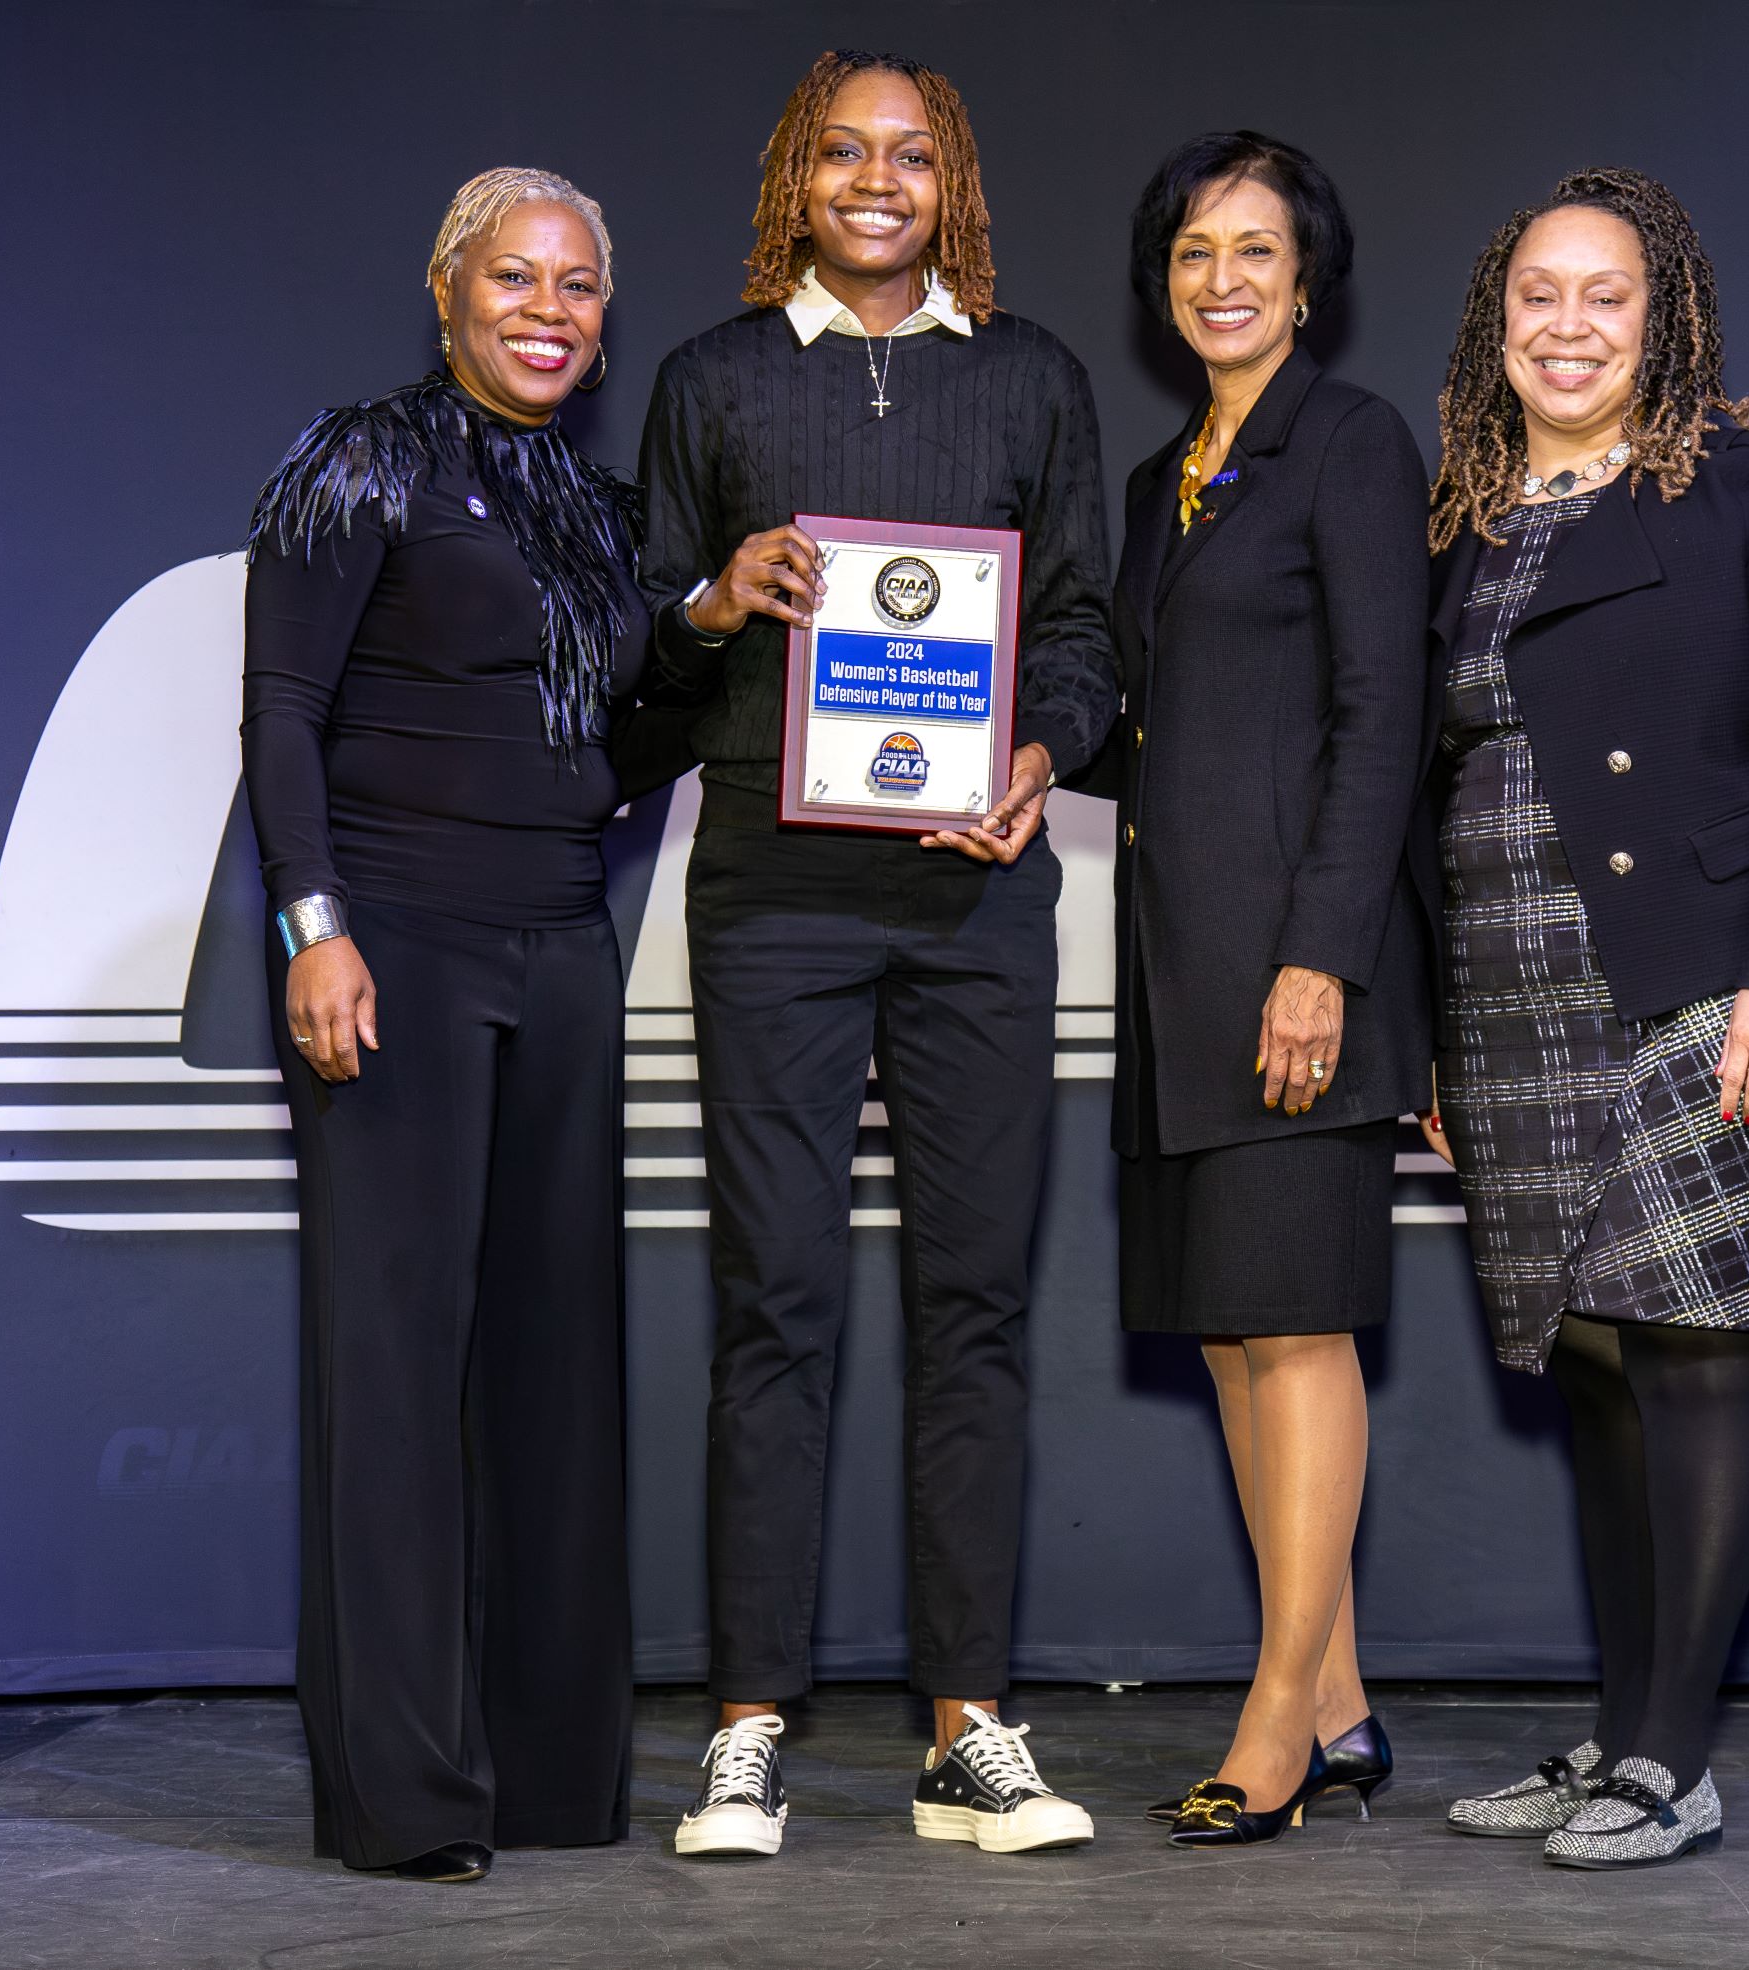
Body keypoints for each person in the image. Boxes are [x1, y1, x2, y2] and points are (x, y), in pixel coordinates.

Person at [633, 49, 1117, 1860]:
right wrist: (715, 597)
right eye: (843, 153)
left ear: (951, 182)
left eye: (909, 156)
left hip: (980, 904)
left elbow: (1074, 626)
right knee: (777, 1305)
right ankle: (748, 1723)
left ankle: (966, 1727)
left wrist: (1040, 756)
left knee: (975, 1310)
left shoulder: (1035, 379)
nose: (876, 180)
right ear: (797, 177)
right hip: (773, 895)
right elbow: (650, 643)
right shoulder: (714, 377)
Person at [1418, 168, 1749, 1869]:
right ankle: (1623, 1732)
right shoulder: (1460, 517)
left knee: (1692, 1343)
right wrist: (1433, 1042)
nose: (1567, 324)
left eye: (1605, 294)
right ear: (1497, 316)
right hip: (1515, 993)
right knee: (1599, 1357)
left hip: (1708, 972)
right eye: (1538, 292)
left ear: (1663, 315)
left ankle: (1675, 1758)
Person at [240, 166, 649, 1884]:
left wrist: (717, 639)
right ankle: (405, 1797)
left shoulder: (602, 506)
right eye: (516, 279)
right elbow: (280, 706)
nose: (548, 310)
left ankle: (554, 1778)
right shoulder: (362, 455)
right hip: (392, 945)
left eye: (577, 286)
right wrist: (312, 927)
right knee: (396, 1377)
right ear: (445, 288)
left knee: (558, 1377)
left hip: (564, 948)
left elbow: (617, 745)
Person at [1071, 132, 1427, 1848]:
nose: (1223, 278)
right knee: (1234, 1336)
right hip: (1174, 975)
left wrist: (1320, 957)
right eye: (1194, 250)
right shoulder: (1162, 483)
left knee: (1296, 1324)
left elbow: (1385, 719)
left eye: (1256, 250)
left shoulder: (1349, 447)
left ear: (1308, 277)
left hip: (1300, 976)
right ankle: (1344, 1701)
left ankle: (1279, 1719)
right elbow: (1138, 722)